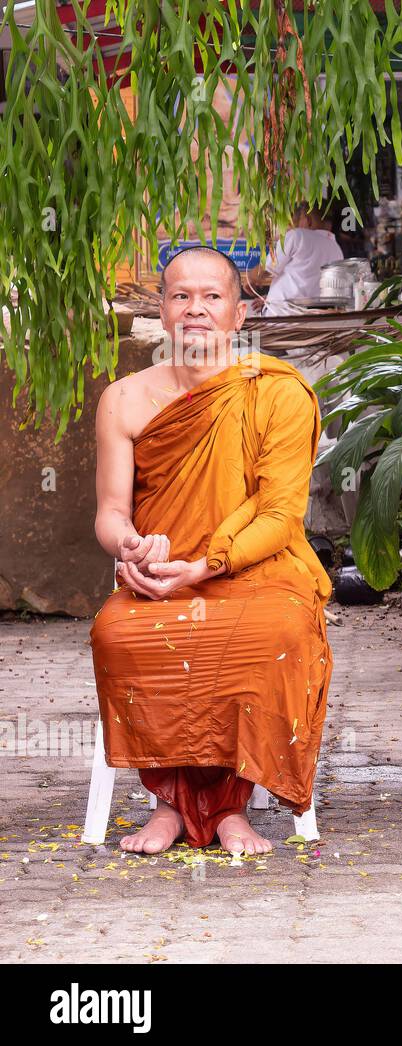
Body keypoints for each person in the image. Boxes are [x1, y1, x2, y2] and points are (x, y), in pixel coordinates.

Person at [89, 245, 333, 855]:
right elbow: (111, 513)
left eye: (212, 297)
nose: (195, 310)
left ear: (239, 315)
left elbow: (281, 515)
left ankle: (228, 809)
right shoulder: (124, 398)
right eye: (180, 296)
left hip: (259, 568)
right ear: (161, 310)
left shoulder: (277, 392)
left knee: (271, 634)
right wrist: (131, 547)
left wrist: (204, 567)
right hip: (161, 569)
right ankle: (170, 803)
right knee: (120, 635)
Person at [256, 203, 344, 314]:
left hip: (281, 318)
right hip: (314, 322)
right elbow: (311, 288)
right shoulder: (336, 249)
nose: (294, 224)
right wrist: (270, 298)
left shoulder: (297, 236)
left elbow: (265, 270)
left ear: (307, 219)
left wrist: (250, 277)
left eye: (298, 218)